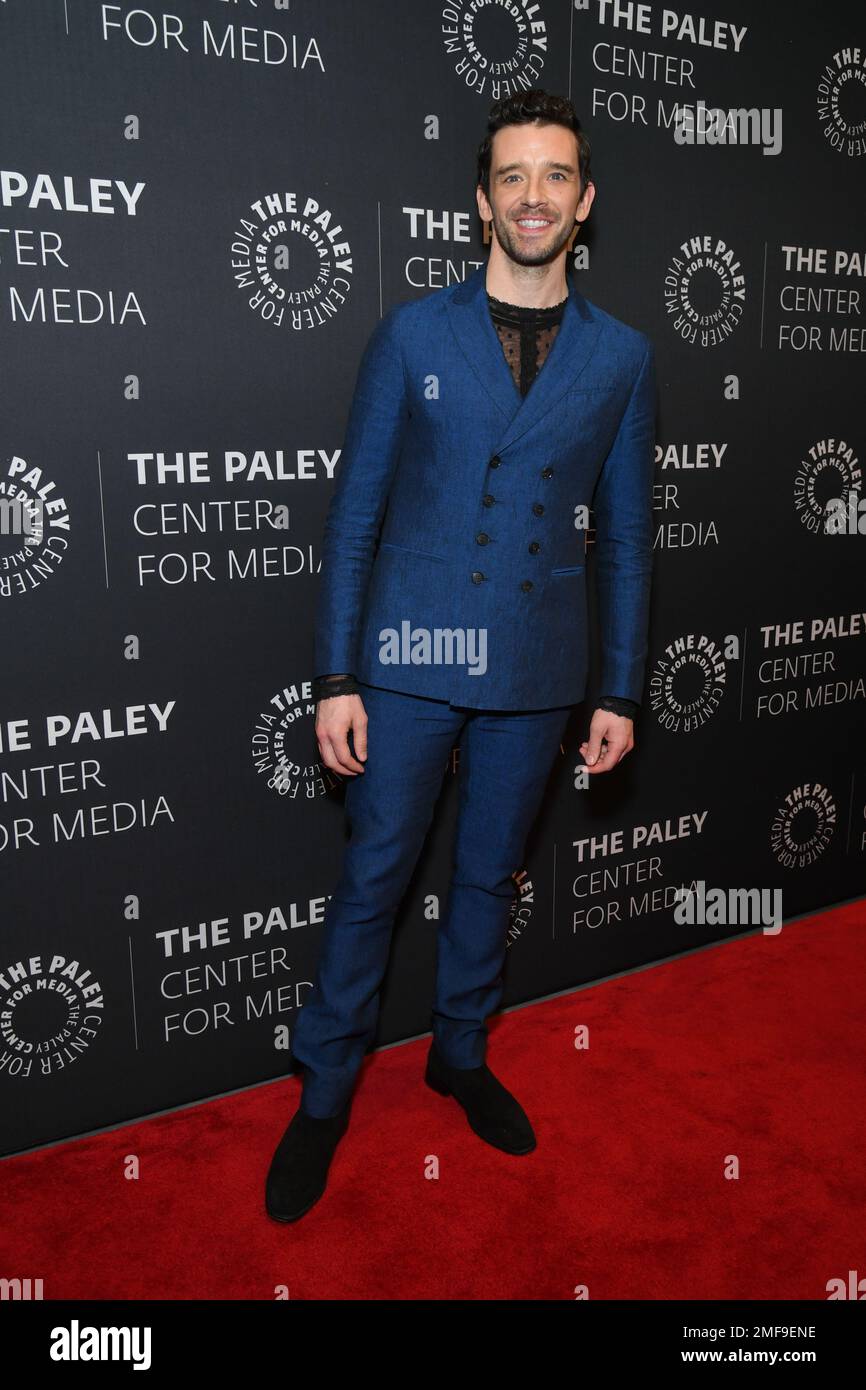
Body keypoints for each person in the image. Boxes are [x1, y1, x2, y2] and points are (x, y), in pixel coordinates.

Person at [266, 88, 657, 1222]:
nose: (531, 196)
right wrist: (337, 675)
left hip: (537, 669)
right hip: (402, 658)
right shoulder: (410, 334)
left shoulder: (621, 357)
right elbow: (354, 518)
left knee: (489, 876)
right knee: (375, 877)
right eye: (509, 177)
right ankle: (326, 1088)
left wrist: (622, 684)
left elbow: (627, 535)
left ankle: (460, 1054)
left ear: (582, 203)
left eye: (553, 177)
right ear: (481, 200)